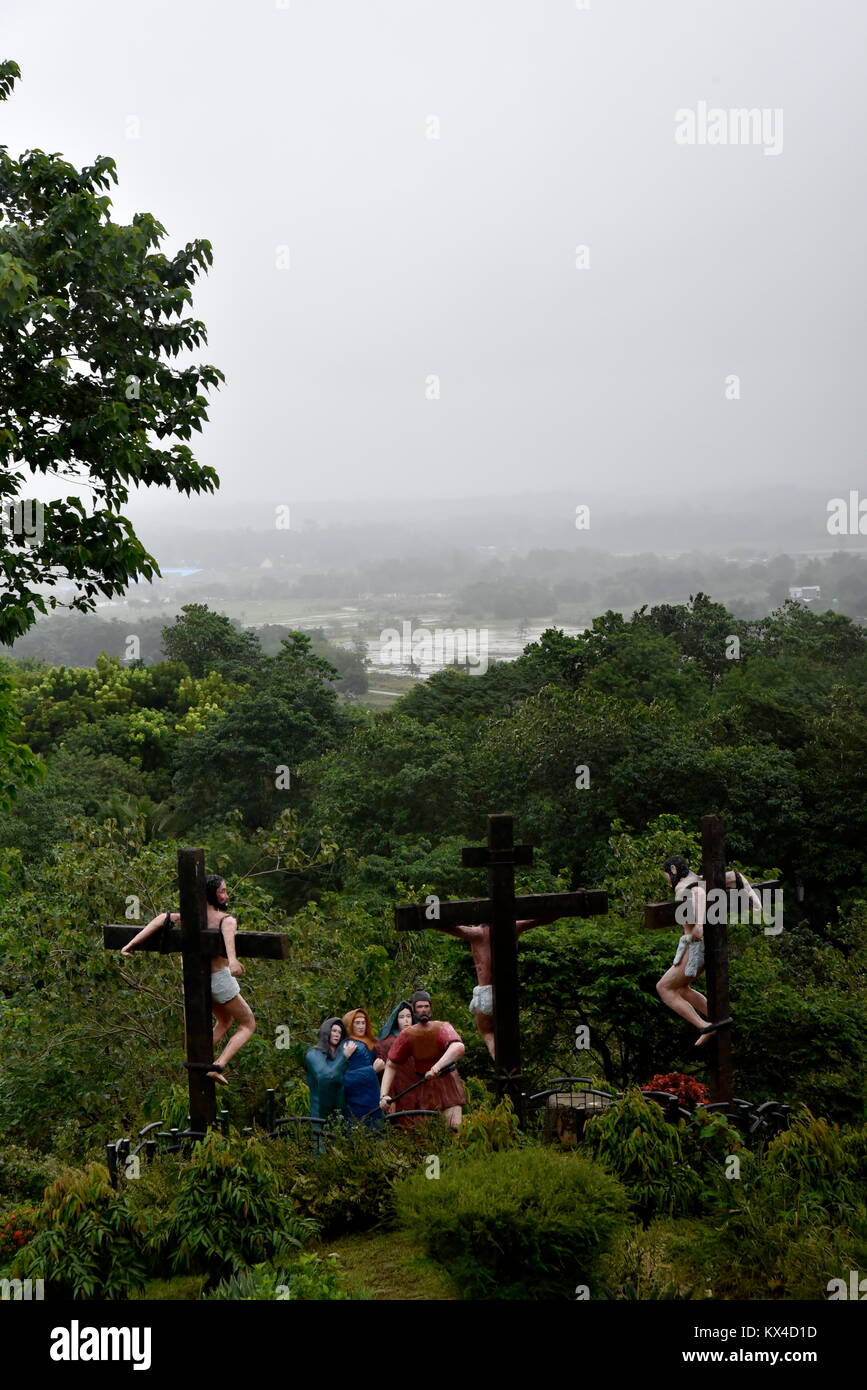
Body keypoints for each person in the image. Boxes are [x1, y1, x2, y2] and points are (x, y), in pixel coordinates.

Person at [120, 873, 256, 1085]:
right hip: (219, 980)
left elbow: (160, 920)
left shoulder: (190, 918)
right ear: (212, 894)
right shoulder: (225, 919)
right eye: (222, 890)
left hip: (195, 983)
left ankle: (197, 1059)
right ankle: (219, 1065)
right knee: (248, 1024)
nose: (226, 894)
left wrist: (130, 945)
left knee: (224, 1020)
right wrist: (233, 961)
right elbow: (229, 935)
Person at [655, 856, 759, 1047]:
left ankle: (705, 1025)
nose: (667, 880)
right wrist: (753, 897)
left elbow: (699, 895)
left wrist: (700, 924)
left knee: (664, 988)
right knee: (681, 989)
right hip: (705, 944)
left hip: (697, 946)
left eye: (666, 876)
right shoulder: (700, 879)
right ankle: (717, 1020)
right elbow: (735, 877)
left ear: (673, 870)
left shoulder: (683, 887)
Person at [435, 917, 556, 1059]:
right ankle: (509, 1065)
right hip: (508, 993)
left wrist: (425, 919)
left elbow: (445, 926)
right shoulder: (514, 927)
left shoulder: (476, 933)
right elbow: (541, 920)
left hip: (487, 992)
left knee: (487, 1033)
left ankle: (501, 1065)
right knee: (508, 1038)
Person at [379, 991, 466, 1129]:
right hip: (423, 1088)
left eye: (426, 1006)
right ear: (414, 1010)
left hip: (447, 1085)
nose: (423, 1010)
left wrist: (436, 1068)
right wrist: (383, 1095)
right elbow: (391, 1065)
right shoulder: (407, 1035)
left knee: (454, 1129)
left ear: (430, 1008)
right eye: (419, 1007)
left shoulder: (442, 1027)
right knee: (424, 1133)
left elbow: (458, 1047)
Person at [306, 1017, 356, 1142]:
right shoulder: (313, 1054)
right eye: (334, 1030)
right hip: (320, 1114)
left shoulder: (339, 1055)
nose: (337, 1034)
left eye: (339, 1032)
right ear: (326, 1031)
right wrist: (344, 1056)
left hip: (340, 1113)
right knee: (320, 1150)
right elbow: (326, 1076)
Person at [341, 1008, 385, 1127]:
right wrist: (372, 1070)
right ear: (350, 1025)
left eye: (363, 1022)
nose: (361, 1026)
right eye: (357, 1023)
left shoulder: (371, 1042)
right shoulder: (349, 1044)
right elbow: (345, 1077)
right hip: (357, 1098)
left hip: (374, 1094)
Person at [376, 1001, 416, 1124]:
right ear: (396, 1019)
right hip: (398, 1093)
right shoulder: (386, 1043)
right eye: (402, 1017)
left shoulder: (419, 1037)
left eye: (408, 1016)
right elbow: (384, 1074)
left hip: (418, 1090)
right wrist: (389, 1097)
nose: (406, 1020)